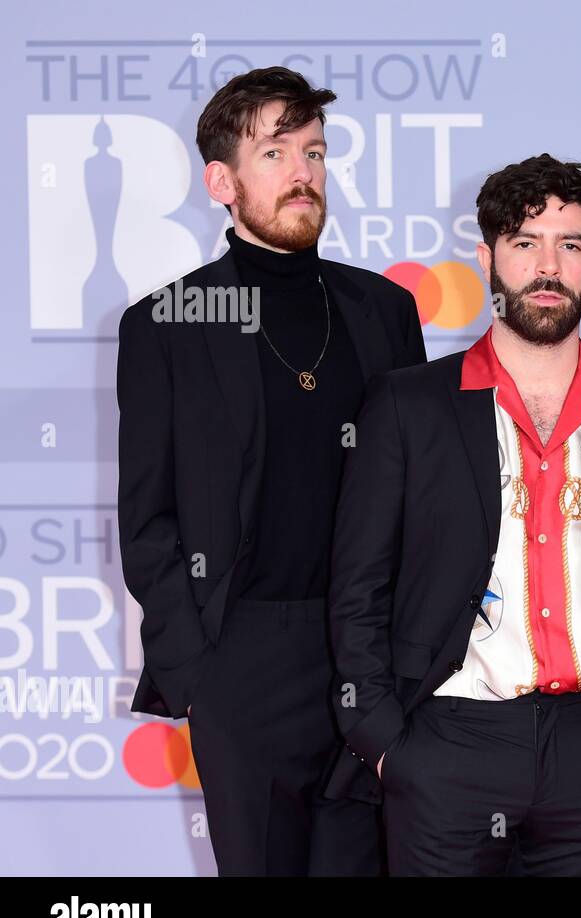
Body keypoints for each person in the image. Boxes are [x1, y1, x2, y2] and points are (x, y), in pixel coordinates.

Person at [326, 154, 581, 875]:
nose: (548, 266)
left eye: (569, 245)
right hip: (446, 744)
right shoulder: (409, 406)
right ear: (486, 258)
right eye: (524, 243)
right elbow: (357, 588)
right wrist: (384, 742)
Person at [117, 66, 426, 875]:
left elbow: (425, 497)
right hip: (241, 657)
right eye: (276, 152)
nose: (302, 173)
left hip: (368, 653)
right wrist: (196, 676)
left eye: (315, 153)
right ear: (221, 181)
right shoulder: (166, 325)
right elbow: (149, 519)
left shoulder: (383, 312)